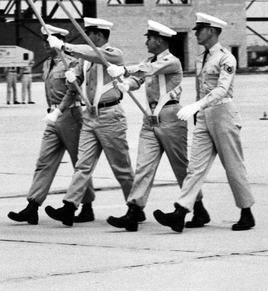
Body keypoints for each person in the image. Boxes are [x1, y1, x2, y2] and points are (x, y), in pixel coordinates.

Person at [153, 13, 256, 232]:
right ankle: (181, 212)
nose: (196, 34)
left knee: (233, 167)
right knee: (195, 167)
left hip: (223, 115)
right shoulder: (201, 58)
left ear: (211, 31)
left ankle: (246, 212)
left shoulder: (226, 58)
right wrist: (198, 110)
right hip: (204, 116)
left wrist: (197, 105)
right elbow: (201, 88)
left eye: (199, 30)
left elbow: (222, 89)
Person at [105, 20, 198, 231]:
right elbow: (138, 79)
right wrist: (126, 84)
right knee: (143, 167)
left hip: (170, 117)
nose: (146, 42)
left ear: (159, 41)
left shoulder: (171, 61)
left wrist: (123, 69)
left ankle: (198, 207)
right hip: (150, 118)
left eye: (149, 38)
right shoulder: (148, 61)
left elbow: (147, 70)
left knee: (180, 167)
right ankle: (133, 211)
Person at [43, 18, 134, 226]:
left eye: (88, 34)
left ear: (98, 35)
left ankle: (135, 207)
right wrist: (71, 80)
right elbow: (74, 85)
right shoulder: (83, 60)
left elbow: (94, 53)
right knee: (82, 165)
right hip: (90, 116)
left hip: (110, 116)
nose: (85, 37)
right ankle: (69, 207)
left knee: (121, 167)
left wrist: (64, 46)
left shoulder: (113, 54)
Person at [8, 26, 95, 225]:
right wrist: (53, 113)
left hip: (70, 115)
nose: (46, 44)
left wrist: (59, 111)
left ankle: (87, 207)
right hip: (53, 117)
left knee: (79, 163)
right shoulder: (48, 63)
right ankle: (32, 206)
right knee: (44, 162)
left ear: (59, 41)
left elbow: (73, 91)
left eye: (49, 41)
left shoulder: (71, 61)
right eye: (44, 41)